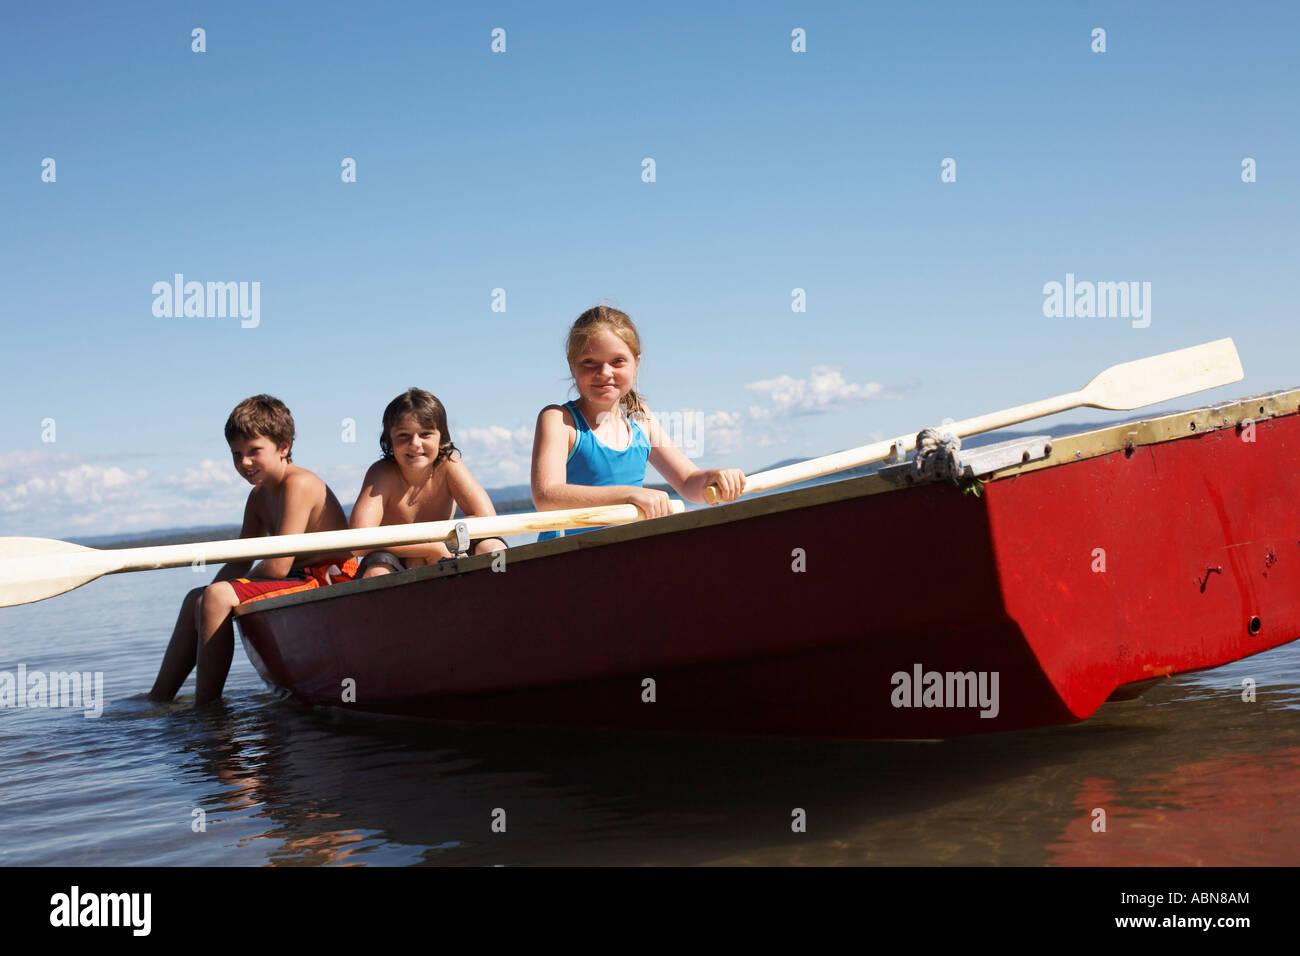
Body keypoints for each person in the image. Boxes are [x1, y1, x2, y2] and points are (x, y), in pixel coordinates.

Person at [148, 395, 355, 705]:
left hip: (327, 577)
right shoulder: (259, 496)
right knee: (198, 597)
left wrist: (221, 595)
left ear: (284, 446)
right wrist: (211, 594)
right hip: (297, 576)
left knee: (217, 597)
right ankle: (159, 698)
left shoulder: (298, 484)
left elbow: (278, 566)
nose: (243, 462)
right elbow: (242, 559)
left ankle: (207, 708)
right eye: (236, 454)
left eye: (254, 451)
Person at [530, 304, 746, 539]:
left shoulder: (640, 418)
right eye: (589, 362)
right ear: (572, 366)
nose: (604, 372)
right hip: (566, 559)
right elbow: (547, 497)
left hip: (628, 554)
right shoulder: (559, 420)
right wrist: (629, 495)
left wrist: (713, 479)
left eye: (617, 361)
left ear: (636, 365)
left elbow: (687, 482)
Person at [350, 388, 506, 577]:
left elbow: (488, 520)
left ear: (442, 438)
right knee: (378, 570)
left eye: (425, 434)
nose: (415, 443)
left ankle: (500, 599)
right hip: (394, 556)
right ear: (389, 441)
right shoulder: (381, 473)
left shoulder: (449, 464)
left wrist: (443, 544)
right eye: (403, 436)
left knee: (493, 547)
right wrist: (426, 548)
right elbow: (358, 540)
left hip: (444, 547)